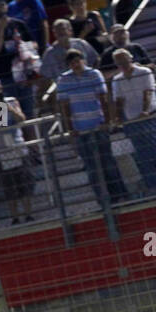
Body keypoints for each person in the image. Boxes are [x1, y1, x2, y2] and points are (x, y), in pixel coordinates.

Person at [56, 48, 127, 205]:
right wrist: (70, 128)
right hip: (80, 129)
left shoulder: (94, 74)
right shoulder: (63, 80)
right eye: (72, 62)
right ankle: (103, 199)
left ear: (83, 60)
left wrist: (106, 122)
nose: (75, 64)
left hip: (97, 124)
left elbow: (103, 98)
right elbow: (65, 105)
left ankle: (120, 194)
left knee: (108, 162)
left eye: (77, 61)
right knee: (91, 167)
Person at [109, 48, 156, 196]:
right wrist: (118, 117)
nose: (123, 64)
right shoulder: (117, 80)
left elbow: (148, 92)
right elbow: (118, 100)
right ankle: (153, 187)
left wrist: (144, 111)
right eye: (119, 62)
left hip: (150, 115)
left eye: (124, 60)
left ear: (130, 58)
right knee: (143, 155)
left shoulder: (144, 72)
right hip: (131, 119)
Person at [0, 74, 36, 223]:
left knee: (24, 183)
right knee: (9, 186)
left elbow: (22, 119)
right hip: (0, 151)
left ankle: (28, 213)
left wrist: (8, 108)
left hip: (17, 147)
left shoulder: (11, 101)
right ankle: (15, 216)